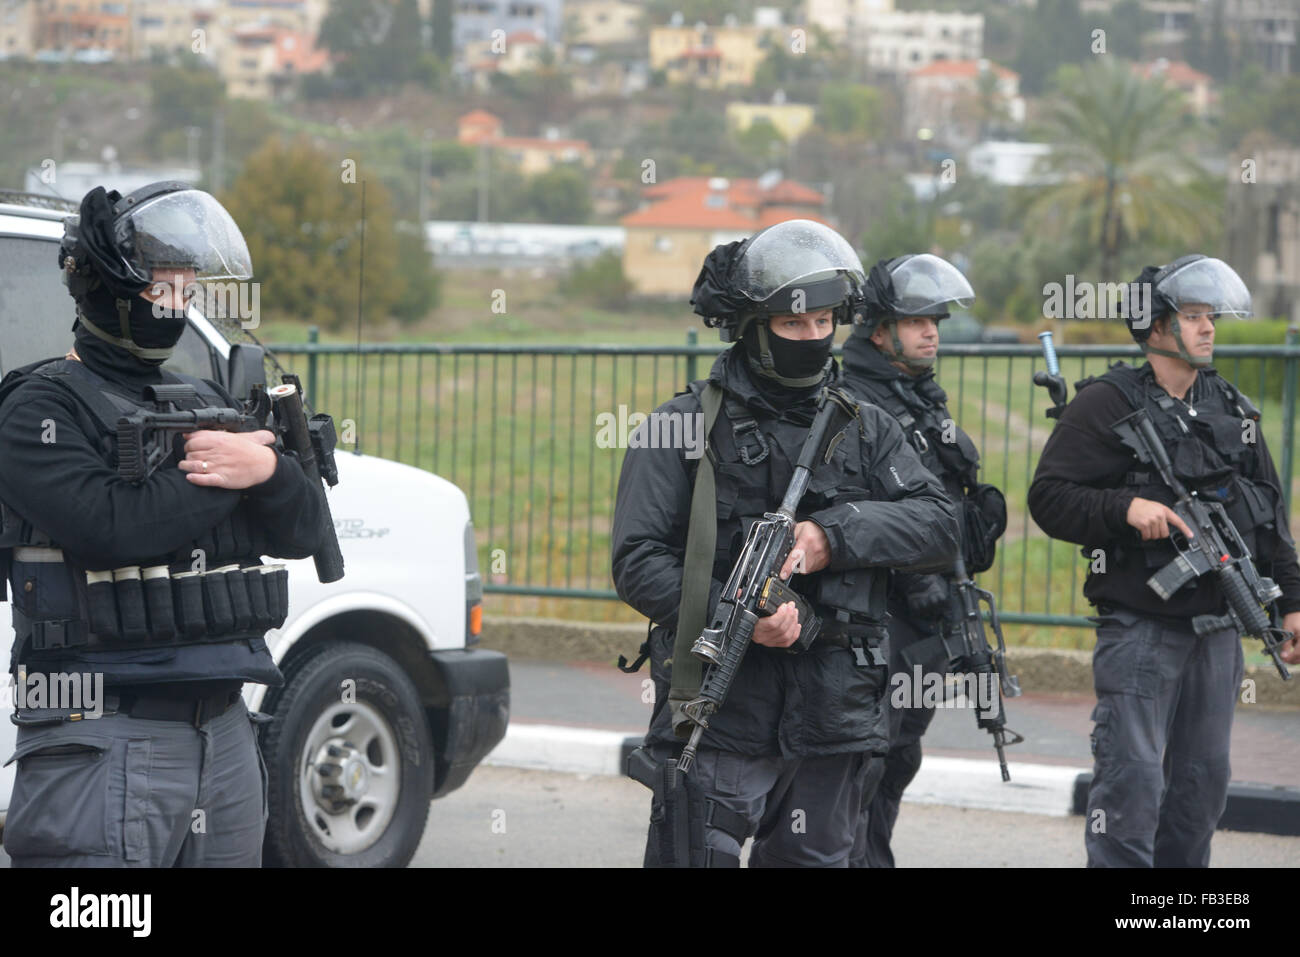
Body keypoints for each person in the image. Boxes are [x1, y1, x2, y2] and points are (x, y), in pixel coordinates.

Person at [611, 220, 960, 867]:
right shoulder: (684, 426)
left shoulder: (868, 425)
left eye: (825, 322)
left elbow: (940, 524)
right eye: (793, 325)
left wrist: (834, 535)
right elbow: (637, 559)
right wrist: (734, 614)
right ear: (753, 325)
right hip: (722, 707)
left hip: (836, 713)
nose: (813, 337)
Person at [0, 182, 326, 867]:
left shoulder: (204, 400)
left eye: (187, 290)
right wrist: (226, 478)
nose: (178, 305)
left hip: (225, 731)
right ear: (113, 294)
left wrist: (265, 472)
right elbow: (114, 528)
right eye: (164, 290)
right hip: (101, 729)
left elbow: (301, 533)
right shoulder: (36, 412)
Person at [1027, 254, 1300, 867]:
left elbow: (1270, 516)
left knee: (1199, 792)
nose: (1209, 329)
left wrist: (1293, 604)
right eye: (1194, 317)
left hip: (1219, 632)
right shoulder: (1105, 403)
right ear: (1154, 328)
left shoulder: (1231, 407)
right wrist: (1126, 508)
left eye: (1212, 317)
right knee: (1132, 787)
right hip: (1142, 629)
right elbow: (1049, 498)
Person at [838, 254, 1006, 868]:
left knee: (901, 756)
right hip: (873, 616)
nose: (931, 331)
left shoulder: (921, 398)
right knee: (862, 760)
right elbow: (855, 508)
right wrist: (915, 574)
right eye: (915, 321)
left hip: (927, 620)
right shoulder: (852, 398)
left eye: (935, 319)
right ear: (879, 330)